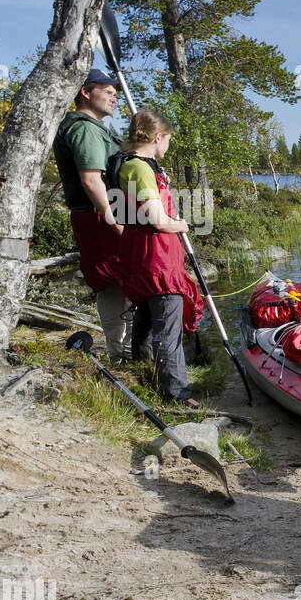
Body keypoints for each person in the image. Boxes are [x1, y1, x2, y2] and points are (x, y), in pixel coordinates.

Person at [113, 110, 204, 404]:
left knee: (147, 316)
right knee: (168, 323)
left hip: (139, 252)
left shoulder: (126, 163)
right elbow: (156, 219)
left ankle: (143, 370)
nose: (168, 147)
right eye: (167, 141)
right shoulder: (139, 168)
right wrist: (180, 224)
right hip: (156, 255)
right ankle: (176, 393)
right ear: (157, 138)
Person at [52, 68, 131, 359]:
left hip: (102, 214)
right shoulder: (84, 128)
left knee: (115, 284)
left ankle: (122, 352)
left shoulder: (92, 127)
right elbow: (91, 179)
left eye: (115, 93)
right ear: (86, 92)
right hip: (101, 216)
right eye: (108, 92)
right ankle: (127, 352)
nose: (114, 98)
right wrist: (115, 220)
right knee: (127, 279)